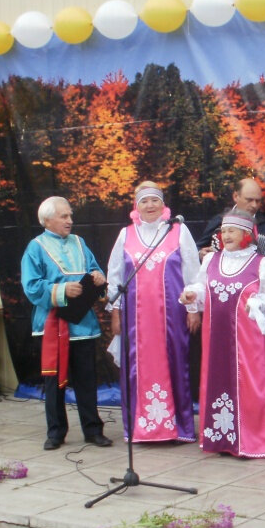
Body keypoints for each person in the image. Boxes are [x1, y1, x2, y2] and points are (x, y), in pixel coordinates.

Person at [182, 210, 265, 458]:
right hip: (216, 337)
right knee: (217, 377)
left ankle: (253, 439)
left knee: (250, 383)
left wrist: (259, 304)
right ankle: (222, 437)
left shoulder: (263, 264)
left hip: (247, 341)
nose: (226, 235)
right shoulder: (211, 261)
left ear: (247, 234)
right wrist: (193, 295)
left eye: (232, 230)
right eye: (223, 231)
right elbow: (202, 288)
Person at [107, 181, 200, 444]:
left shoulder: (179, 232)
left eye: (154, 201)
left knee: (176, 364)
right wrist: (115, 312)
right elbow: (115, 277)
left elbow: (193, 274)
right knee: (137, 368)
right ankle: (139, 427)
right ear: (136, 207)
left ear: (164, 205)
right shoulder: (125, 234)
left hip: (172, 316)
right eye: (144, 201)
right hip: (136, 322)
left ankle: (178, 427)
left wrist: (193, 309)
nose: (150, 206)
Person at [21, 196, 112, 450]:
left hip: (83, 326)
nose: (70, 221)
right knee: (54, 381)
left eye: (70, 216)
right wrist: (61, 291)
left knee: (86, 380)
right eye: (64, 216)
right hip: (51, 325)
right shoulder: (35, 247)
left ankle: (93, 430)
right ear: (47, 219)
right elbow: (31, 287)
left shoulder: (80, 243)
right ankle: (56, 432)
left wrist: (98, 278)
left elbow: (96, 272)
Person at [197, 178, 265, 265]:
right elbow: (197, 248)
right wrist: (200, 253)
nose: (254, 205)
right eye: (249, 200)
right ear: (236, 196)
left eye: (258, 201)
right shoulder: (219, 221)